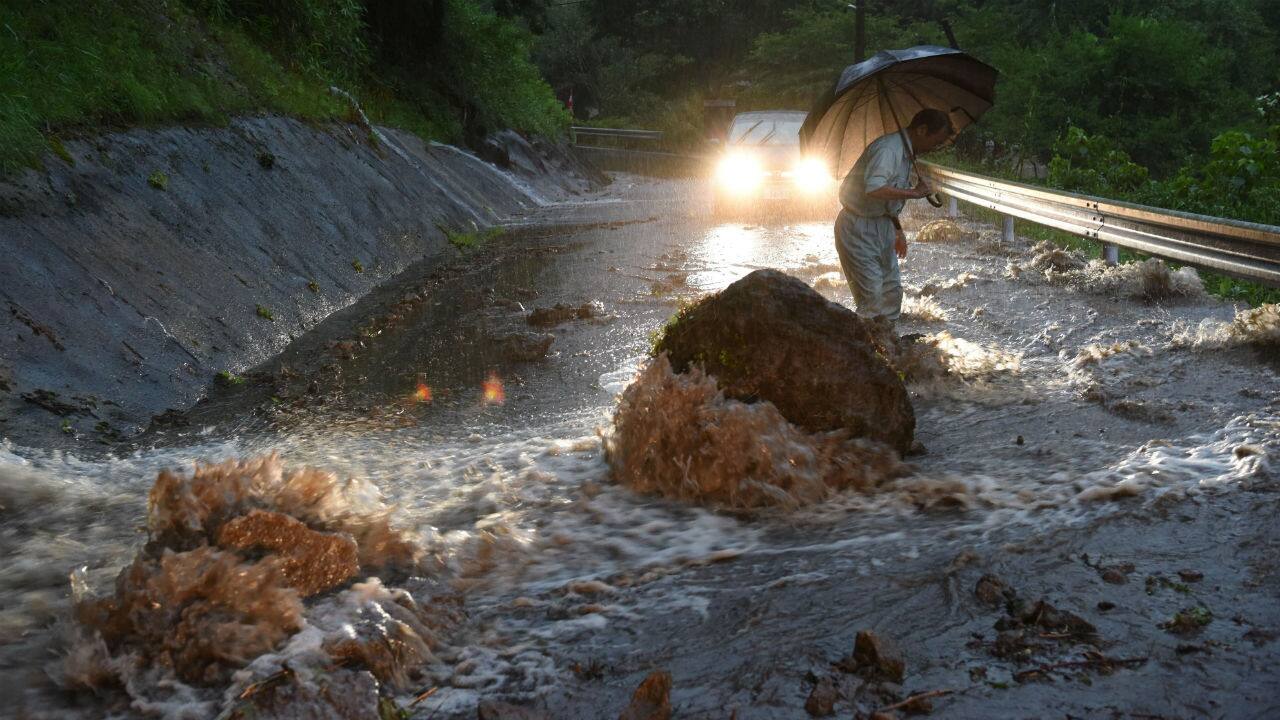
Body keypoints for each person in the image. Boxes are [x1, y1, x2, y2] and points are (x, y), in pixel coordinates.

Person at [834, 108, 954, 323]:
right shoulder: (889, 149)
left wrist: (898, 230)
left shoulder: (907, 153)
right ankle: (865, 350)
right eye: (935, 141)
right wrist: (914, 193)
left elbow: (887, 199)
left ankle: (889, 347)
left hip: (883, 224)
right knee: (871, 296)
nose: (934, 148)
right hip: (858, 226)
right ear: (922, 130)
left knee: (892, 292)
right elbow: (874, 188)